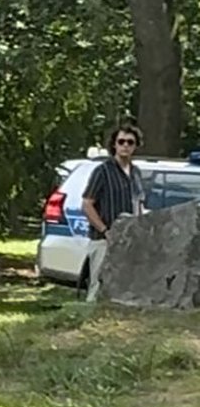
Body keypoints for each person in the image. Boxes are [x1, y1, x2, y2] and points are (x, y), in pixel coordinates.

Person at [81, 121, 144, 295]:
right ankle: (90, 320)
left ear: (135, 146)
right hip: (103, 241)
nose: (125, 146)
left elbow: (139, 203)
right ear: (114, 145)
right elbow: (87, 204)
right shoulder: (102, 171)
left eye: (130, 142)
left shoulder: (136, 173)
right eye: (121, 141)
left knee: (124, 287)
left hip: (128, 241)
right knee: (98, 285)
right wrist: (105, 231)